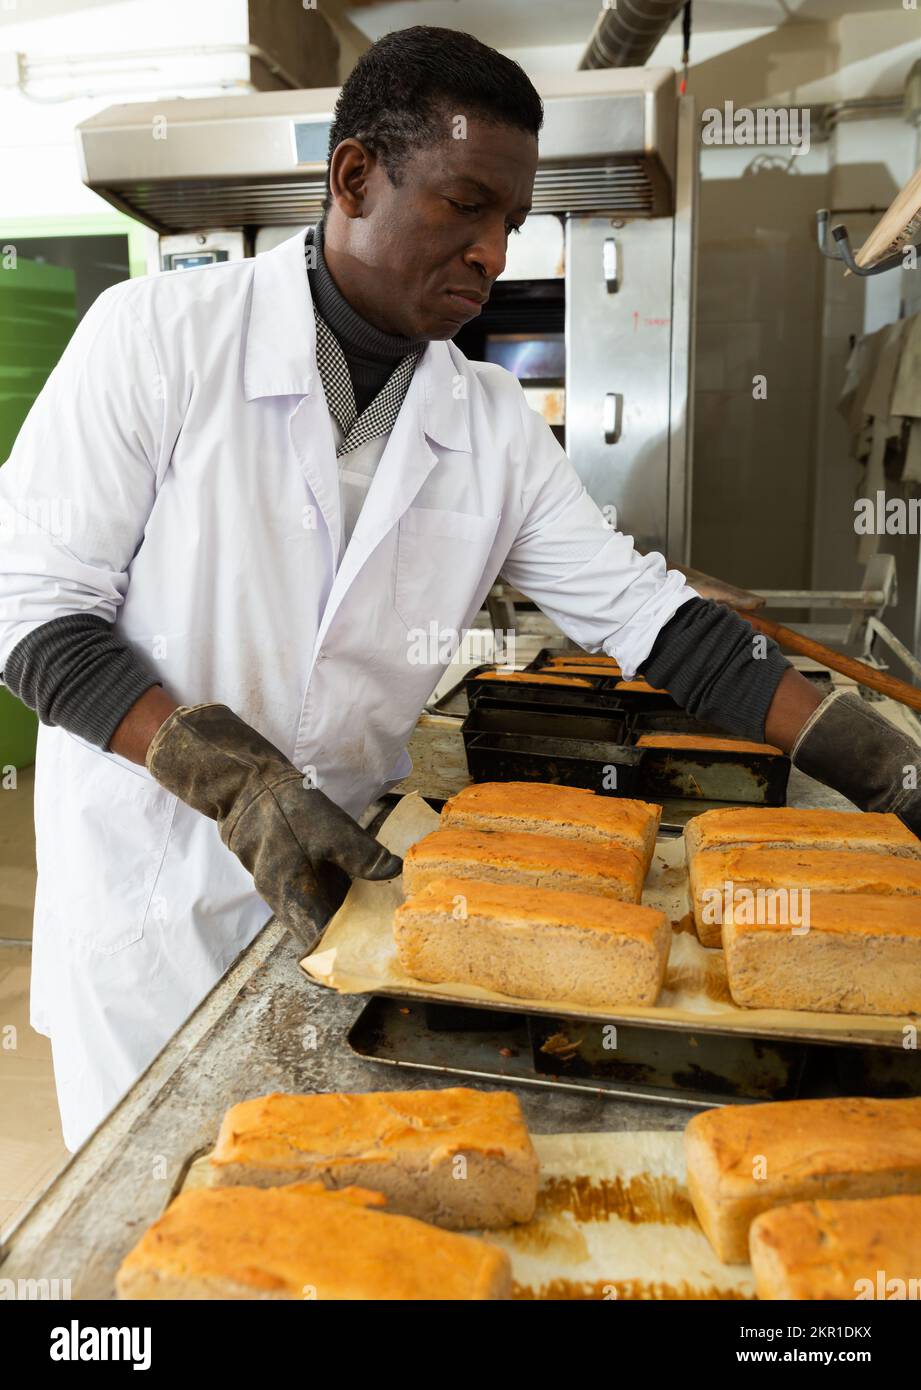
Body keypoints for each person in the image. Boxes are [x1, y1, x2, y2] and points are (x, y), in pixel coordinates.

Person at [0, 26, 917, 1150]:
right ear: (353, 177)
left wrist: (878, 760)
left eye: (511, 225)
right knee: (165, 1235)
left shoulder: (488, 426)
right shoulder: (156, 343)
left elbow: (656, 623)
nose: (492, 253)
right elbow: (33, 608)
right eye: (464, 206)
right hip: (154, 901)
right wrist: (234, 780)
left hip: (358, 893)